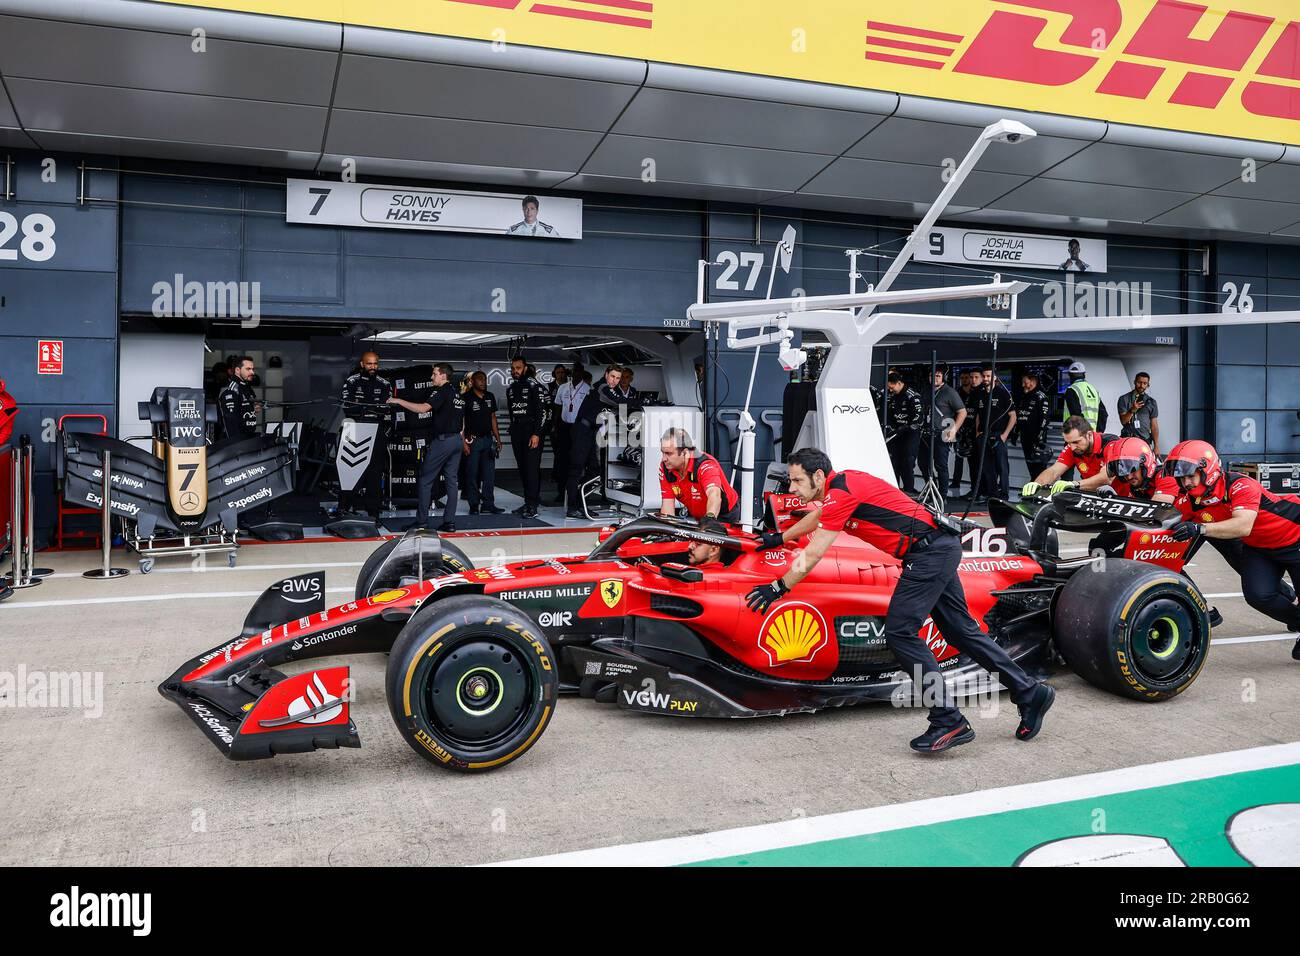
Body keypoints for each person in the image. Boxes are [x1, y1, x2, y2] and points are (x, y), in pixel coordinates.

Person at [745, 447, 1055, 752]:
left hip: (929, 554)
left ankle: (948, 719)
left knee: (900, 631)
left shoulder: (841, 492)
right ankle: (1029, 692)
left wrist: (779, 587)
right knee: (962, 631)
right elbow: (819, 517)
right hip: (938, 548)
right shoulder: (841, 487)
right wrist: (779, 538)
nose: (792, 488)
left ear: (818, 475)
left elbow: (813, 553)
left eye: (797, 481)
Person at [1164, 440, 1300, 660]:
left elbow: (1242, 525)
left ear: (1207, 470)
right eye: (1182, 477)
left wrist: (1200, 528)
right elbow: (1162, 520)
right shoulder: (1191, 499)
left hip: (1295, 535)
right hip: (1260, 548)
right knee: (1258, 596)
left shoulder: (1240, 484)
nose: (1186, 482)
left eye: (1191, 476)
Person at [388, 362, 463, 532]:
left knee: (425, 480)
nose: (431, 377)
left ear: (443, 375)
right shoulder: (456, 392)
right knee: (452, 482)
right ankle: (449, 523)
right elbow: (462, 420)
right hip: (457, 440)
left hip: (443, 441)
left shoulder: (441, 391)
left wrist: (398, 400)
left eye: (434, 374)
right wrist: (462, 440)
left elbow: (423, 409)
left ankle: (421, 522)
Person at [565, 365, 627, 519]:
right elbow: (620, 402)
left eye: (618, 378)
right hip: (581, 429)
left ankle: (580, 503)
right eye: (612, 376)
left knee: (595, 469)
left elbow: (621, 405)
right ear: (606, 375)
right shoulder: (602, 387)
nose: (614, 380)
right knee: (577, 469)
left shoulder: (612, 390)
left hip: (593, 432)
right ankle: (572, 508)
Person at [339, 351, 394, 520]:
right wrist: (372, 408)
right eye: (369, 364)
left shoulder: (384, 383)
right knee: (350, 469)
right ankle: (345, 508)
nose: (372, 367)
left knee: (374, 473)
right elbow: (348, 408)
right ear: (362, 364)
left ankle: (374, 512)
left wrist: (364, 407)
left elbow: (387, 409)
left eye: (375, 363)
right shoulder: (352, 381)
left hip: (376, 430)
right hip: (354, 429)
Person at [1022, 416, 1119, 497]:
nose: (1072, 448)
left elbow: (1107, 478)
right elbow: (1054, 471)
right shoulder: (1073, 448)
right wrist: (1037, 484)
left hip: (1123, 498)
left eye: (1076, 442)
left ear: (1089, 435)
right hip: (1097, 497)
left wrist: (1074, 484)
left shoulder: (1111, 444)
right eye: (1069, 443)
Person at [658, 427, 740, 523]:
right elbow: (667, 507)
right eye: (663, 453)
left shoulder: (705, 465)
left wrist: (710, 518)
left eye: (668, 453)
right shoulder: (665, 467)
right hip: (699, 515)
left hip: (724, 514)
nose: (664, 459)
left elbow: (714, 495)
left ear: (685, 452)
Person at [506, 356, 546, 518]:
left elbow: (542, 412)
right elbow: (511, 412)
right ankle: (528, 501)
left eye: (518, 368)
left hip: (531, 431)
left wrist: (537, 433)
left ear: (525, 368)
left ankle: (533, 505)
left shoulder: (534, 386)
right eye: (513, 368)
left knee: (531, 469)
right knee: (522, 469)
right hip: (517, 431)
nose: (515, 371)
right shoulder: (510, 388)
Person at [919, 366, 965, 501]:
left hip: (942, 432)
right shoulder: (926, 391)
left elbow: (962, 412)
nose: (934, 378)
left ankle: (942, 495)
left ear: (943, 377)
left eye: (938, 376)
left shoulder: (950, 392)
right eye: (931, 375)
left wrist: (954, 429)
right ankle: (931, 489)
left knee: (941, 465)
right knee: (923, 463)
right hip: (926, 432)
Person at [462, 370, 504, 516]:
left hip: (487, 440)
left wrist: (498, 439)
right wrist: (464, 443)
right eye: (480, 379)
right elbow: (460, 423)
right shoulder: (465, 398)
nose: (483, 382)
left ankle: (488, 504)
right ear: (472, 382)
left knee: (489, 475)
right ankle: (474, 505)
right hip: (472, 440)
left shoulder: (490, 396)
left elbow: (493, 418)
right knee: (472, 474)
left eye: (484, 379)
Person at [973, 365, 1016, 501]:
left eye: (988, 376)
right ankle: (992, 495)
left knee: (1002, 467)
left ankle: (1004, 496)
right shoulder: (980, 394)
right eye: (984, 376)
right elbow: (978, 415)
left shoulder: (1003, 393)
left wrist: (1004, 435)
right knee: (987, 468)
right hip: (983, 435)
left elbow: (1013, 416)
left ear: (995, 378)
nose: (986, 379)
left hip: (999, 435)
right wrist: (977, 433)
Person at [886, 372, 923, 494]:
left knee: (907, 462)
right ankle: (894, 490)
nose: (890, 390)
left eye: (892, 388)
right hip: (896, 434)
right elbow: (889, 415)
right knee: (894, 461)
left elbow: (918, 418)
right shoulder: (892, 396)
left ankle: (909, 490)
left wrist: (906, 427)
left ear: (899, 383)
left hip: (910, 434)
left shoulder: (913, 396)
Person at [1017, 371, 1054, 483]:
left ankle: (1040, 487)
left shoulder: (1041, 397)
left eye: (1025, 382)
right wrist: (1015, 431)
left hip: (1036, 437)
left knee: (1039, 464)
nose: (1023, 385)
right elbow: (1021, 415)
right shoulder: (1024, 396)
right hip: (1025, 436)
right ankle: (1033, 484)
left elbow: (1045, 418)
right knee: (1030, 462)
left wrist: (1040, 435)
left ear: (1033, 382)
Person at [1117, 371, 1160, 455]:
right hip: (1128, 439)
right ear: (1134, 382)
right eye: (1139, 382)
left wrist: (1156, 446)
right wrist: (1132, 410)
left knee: (1144, 466)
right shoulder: (1124, 399)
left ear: (1148, 385)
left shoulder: (1152, 402)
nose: (1141, 386)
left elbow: (1154, 426)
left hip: (1145, 440)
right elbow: (1123, 421)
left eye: (1145, 383)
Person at [218, 355, 260, 440]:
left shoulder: (247, 387)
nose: (252, 372)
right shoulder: (232, 390)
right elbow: (230, 422)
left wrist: (255, 407)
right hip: (238, 442)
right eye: (248, 369)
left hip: (249, 437)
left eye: (252, 369)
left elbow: (253, 407)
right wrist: (236, 445)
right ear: (237, 370)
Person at [951, 369, 978, 495]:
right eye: (962, 378)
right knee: (958, 457)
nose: (965, 380)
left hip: (973, 429)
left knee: (973, 461)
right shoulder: (957, 392)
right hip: (960, 428)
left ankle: (975, 487)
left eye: (967, 377)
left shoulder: (976, 392)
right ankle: (956, 482)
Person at [1062, 361, 1108, 432]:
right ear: (1084, 374)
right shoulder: (1093, 389)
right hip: (1092, 435)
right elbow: (1103, 414)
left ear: (1070, 375)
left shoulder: (1072, 389)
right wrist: (1099, 432)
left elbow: (1075, 415)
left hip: (1077, 435)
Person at [548, 364, 570, 505]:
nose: (560, 375)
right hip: (553, 423)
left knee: (564, 454)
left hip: (566, 425)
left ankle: (558, 475)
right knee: (557, 452)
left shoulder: (569, 387)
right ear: (554, 374)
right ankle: (556, 475)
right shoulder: (549, 387)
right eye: (558, 372)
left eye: (562, 372)